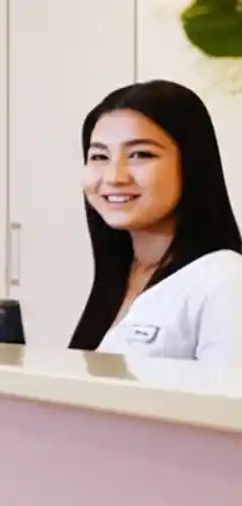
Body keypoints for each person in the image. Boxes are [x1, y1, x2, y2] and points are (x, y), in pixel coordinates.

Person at [70, 80, 242, 362]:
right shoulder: (121, 278)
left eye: (140, 154)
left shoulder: (224, 281)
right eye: (100, 156)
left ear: (192, 163)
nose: (114, 177)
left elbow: (230, 403)